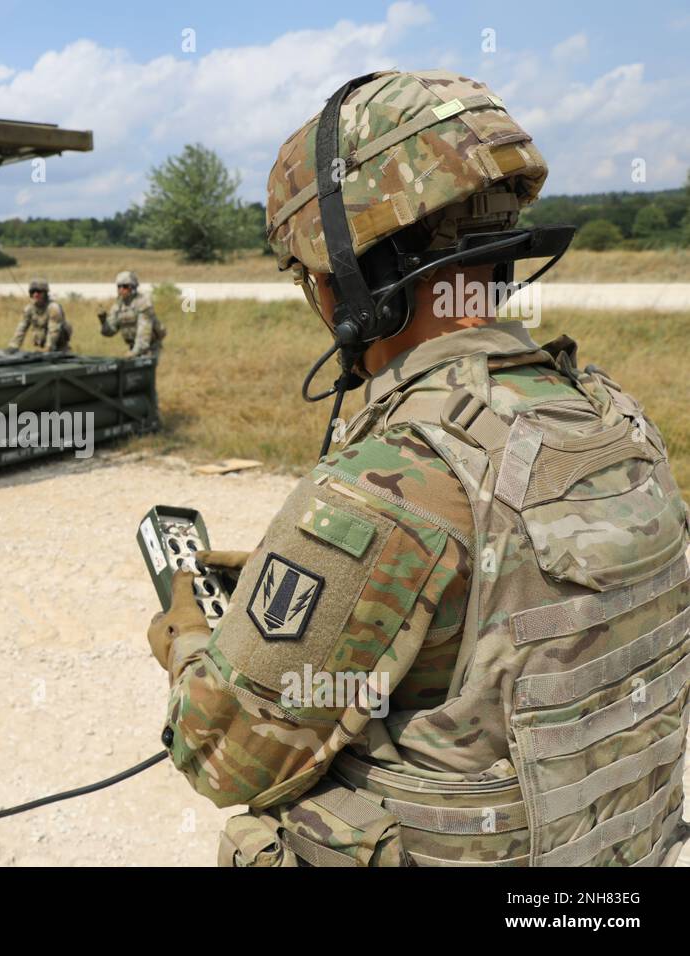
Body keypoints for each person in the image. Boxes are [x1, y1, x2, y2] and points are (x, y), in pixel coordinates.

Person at [147, 69, 690, 868]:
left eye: (316, 280)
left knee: (255, 839)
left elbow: (223, 755)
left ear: (357, 285)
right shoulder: (616, 415)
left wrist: (189, 639)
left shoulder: (394, 475)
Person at [97, 271, 163, 356]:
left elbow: (144, 334)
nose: (121, 289)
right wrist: (103, 321)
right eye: (119, 286)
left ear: (133, 287)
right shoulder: (118, 306)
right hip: (134, 348)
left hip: (150, 348)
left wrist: (134, 353)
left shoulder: (143, 304)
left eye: (125, 286)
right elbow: (109, 332)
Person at [8, 279, 71, 352]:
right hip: (42, 347)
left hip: (59, 349)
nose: (35, 294)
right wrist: (13, 346)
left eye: (39, 292)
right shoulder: (29, 309)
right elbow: (21, 328)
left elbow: (54, 331)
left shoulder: (53, 308)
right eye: (32, 292)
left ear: (45, 293)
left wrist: (48, 348)